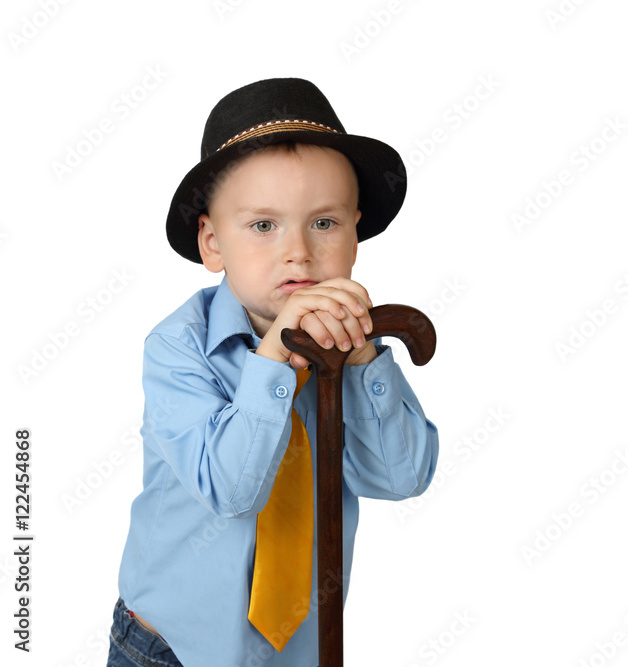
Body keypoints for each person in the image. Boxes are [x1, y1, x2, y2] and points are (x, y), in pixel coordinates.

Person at [105, 77, 438, 666]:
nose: (299, 252)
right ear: (213, 242)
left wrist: (361, 358)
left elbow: (401, 477)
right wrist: (274, 360)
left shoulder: (351, 348)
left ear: (355, 234)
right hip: (168, 649)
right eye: (264, 225)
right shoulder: (177, 350)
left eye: (324, 223)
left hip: (300, 651)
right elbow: (232, 493)